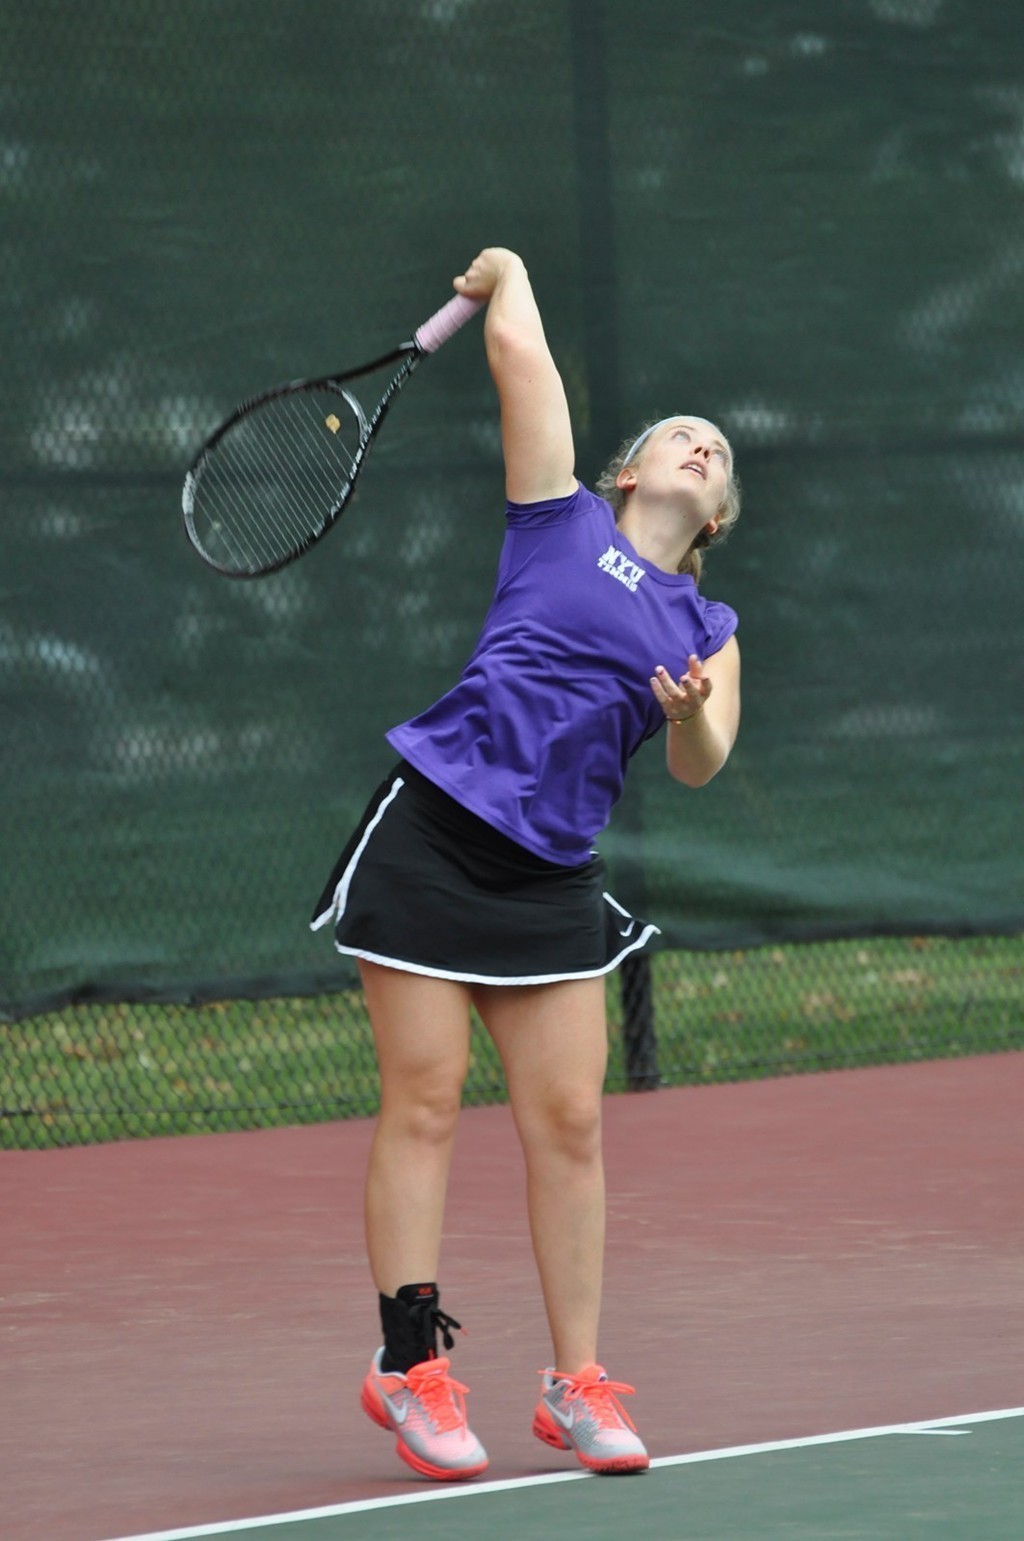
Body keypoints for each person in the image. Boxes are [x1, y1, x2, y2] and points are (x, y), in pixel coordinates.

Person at [311, 247, 742, 1481]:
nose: (700, 444)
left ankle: (577, 1382)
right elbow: (522, 357)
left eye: (717, 451)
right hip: (436, 831)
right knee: (429, 1097)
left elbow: (705, 760)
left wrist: (687, 710)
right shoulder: (552, 514)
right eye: (679, 434)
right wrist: (505, 273)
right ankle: (411, 1367)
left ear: (710, 520)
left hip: (552, 872)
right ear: (629, 473)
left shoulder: (704, 625)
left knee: (568, 1122)